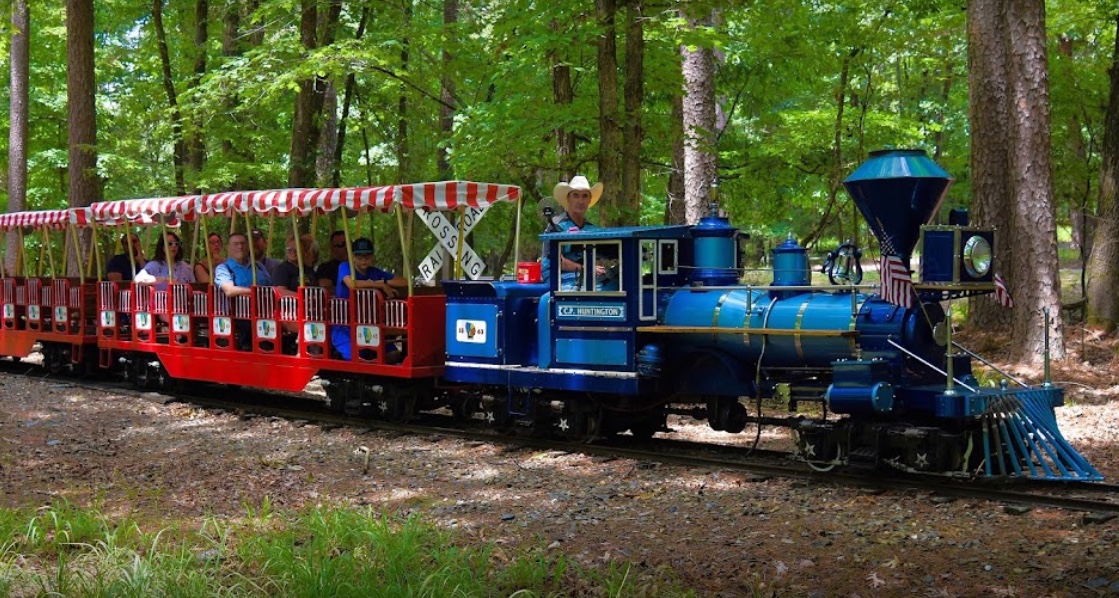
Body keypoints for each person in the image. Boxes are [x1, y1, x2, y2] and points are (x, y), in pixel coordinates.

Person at [330, 238, 406, 361]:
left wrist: (384, 281)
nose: (363, 259)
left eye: (367, 255)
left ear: (372, 257)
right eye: (359, 256)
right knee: (355, 358)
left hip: (369, 324)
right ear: (353, 257)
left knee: (393, 355)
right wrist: (380, 285)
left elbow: (403, 281)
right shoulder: (345, 267)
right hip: (345, 325)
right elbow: (351, 283)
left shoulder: (374, 272)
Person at [541, 175, 608, 291]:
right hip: (557, 278)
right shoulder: (556, 227)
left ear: (589, 200)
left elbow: (598, 259)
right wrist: (586, 269)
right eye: (576, 196)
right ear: (568, 199)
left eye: (585, 196)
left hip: (586, 277)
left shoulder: (593, 230)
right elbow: (557, 261)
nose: (580, 201)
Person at [214, 233, 273, 350]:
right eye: (235, 244)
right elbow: (229, 290)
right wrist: (255, 292)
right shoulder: (223, 268)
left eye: (243, 244)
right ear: (228, 248)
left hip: (265, 312)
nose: (240, 247)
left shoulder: (258, 266)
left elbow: (271, 287)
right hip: (237, 315)